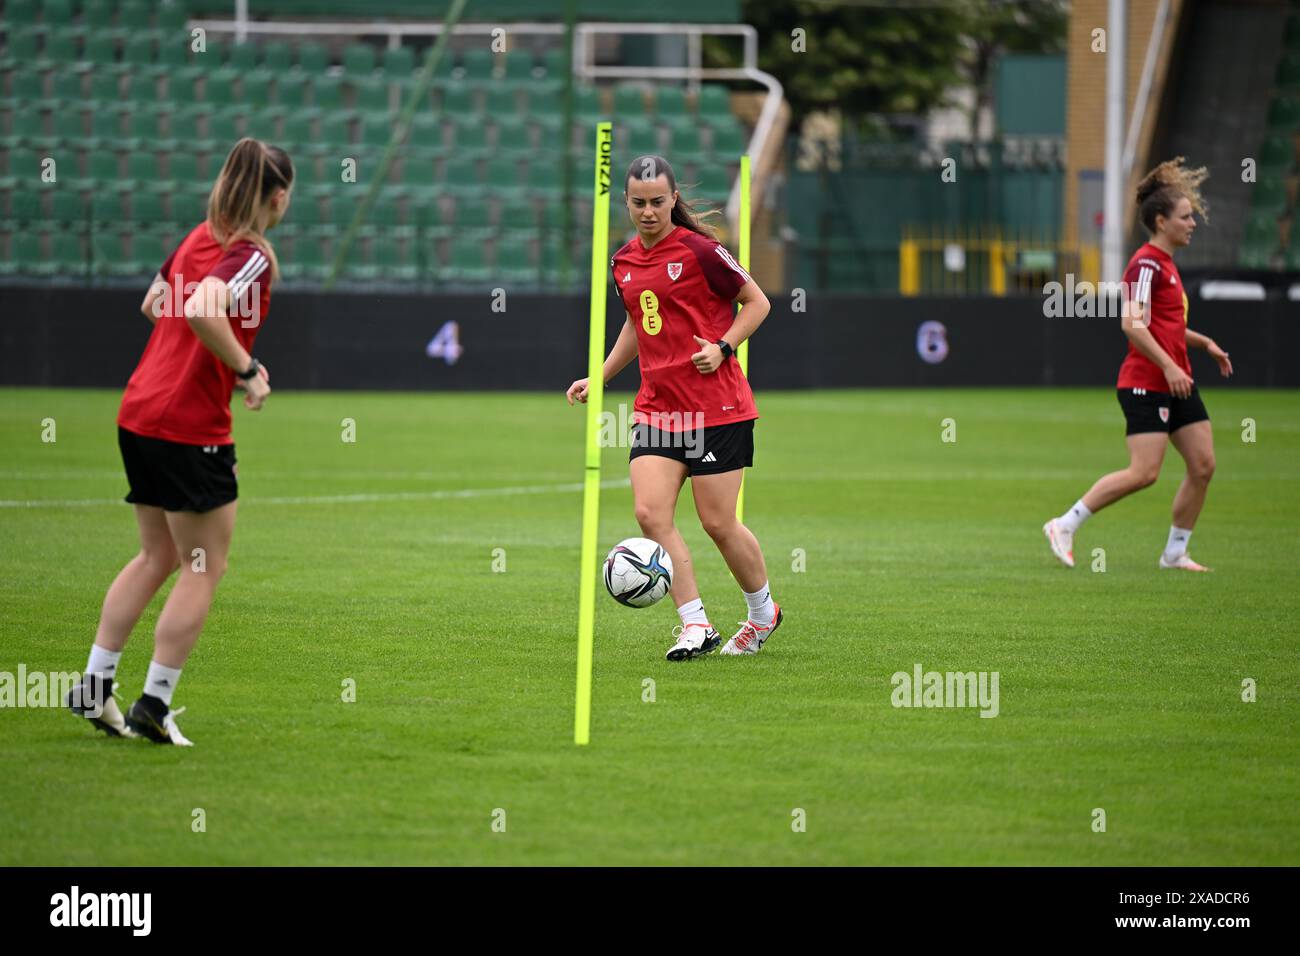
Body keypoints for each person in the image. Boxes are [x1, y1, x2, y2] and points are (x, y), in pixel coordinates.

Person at [66, 138, 293, 744]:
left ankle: (94, 688)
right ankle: (154, 707)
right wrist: (245, 370)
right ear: (278, 196)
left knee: (157, 556)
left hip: (139, 410)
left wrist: (207, 353)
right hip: (187, 425)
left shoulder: (197, 236)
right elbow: (201, 305)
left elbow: (154, 303)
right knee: (203, 564)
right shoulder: (251, 254)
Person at [567, 154, 782, 660]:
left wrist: (724, 346)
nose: (648, 211)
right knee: (649, 513)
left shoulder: (703, 252)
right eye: (638, 203)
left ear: (673, 199)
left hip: (717, 409)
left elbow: (758, 302)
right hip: (658, 409)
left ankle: (762, 613)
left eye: (658, 202)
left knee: (718, 524)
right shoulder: (622, 262)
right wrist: (598, 378)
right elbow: (638, 325)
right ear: (626, 202)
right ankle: (695, 625)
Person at [1044, 157, 1232, 571]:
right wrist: (1169, 366)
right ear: (1161, 222)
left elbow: (1165, 326)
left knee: (1203, 465)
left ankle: (1175, 553)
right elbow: (1132, 323)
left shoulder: (1166, 266)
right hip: (1147, 381)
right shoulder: (1146, 264)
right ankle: (1064, 524)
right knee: (1144, 472)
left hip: (1175, 379)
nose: (1193, 223)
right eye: (1185, 217)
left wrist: (1204, 344)